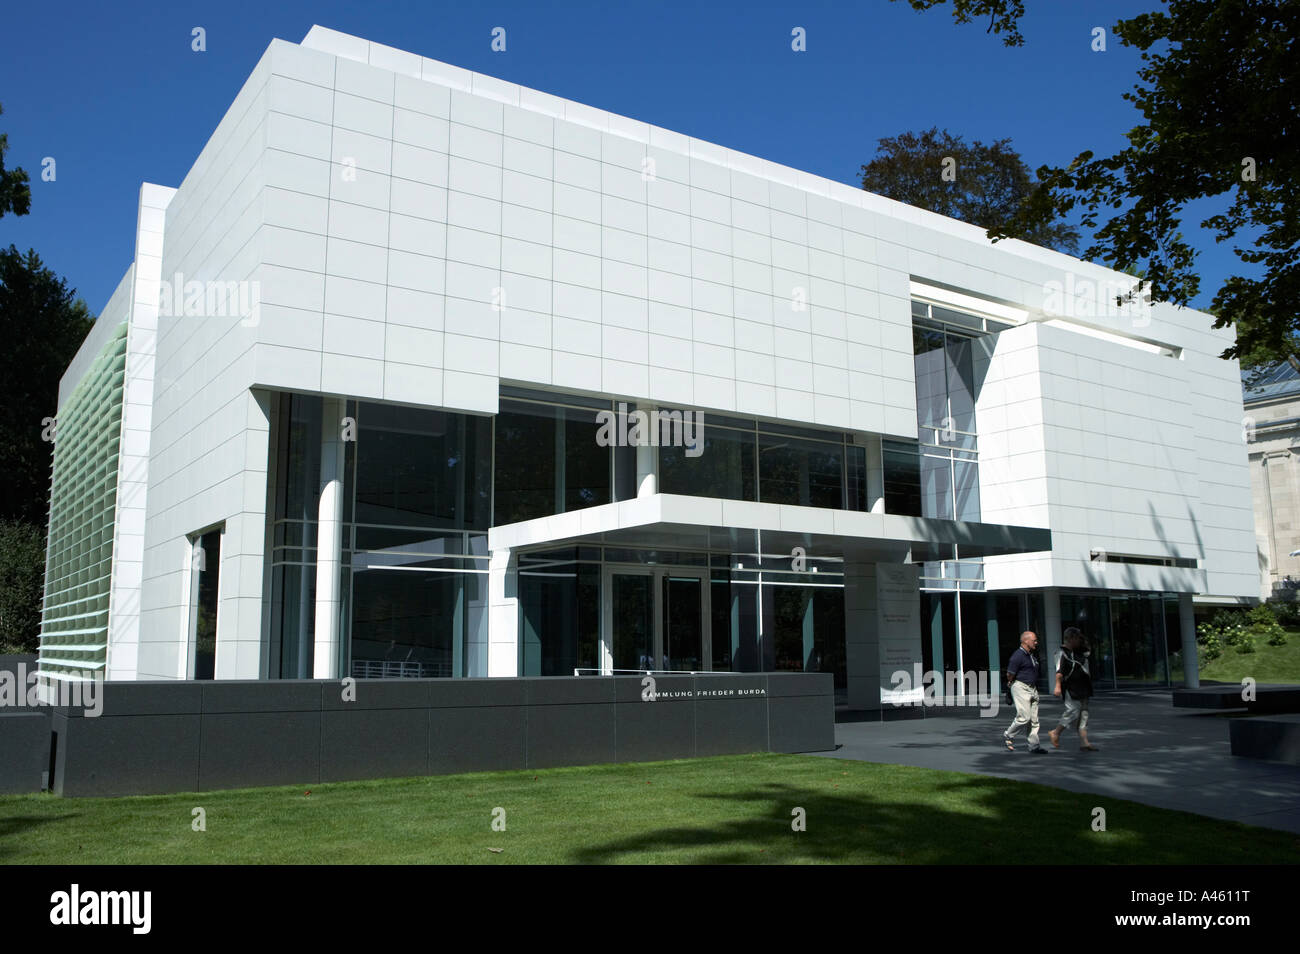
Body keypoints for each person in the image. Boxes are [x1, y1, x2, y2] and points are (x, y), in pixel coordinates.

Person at [1049, 627, 1098, 751]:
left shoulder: (1079, 651)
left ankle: (1084, 742)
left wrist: (1082, 639)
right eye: (1077, 638)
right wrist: (1057, 686)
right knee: (1073, 709)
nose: (1079, 640)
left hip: (1084, 685)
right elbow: (1059, 671)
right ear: (1071, 638)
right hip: (1071, 687)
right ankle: (1056, 732)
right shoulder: (1061, 652)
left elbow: (1088, 649)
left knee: (1084, 713)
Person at [1003, 631, 1046, 753]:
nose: (1036, 643)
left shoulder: (1030, 655)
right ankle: (1008, 735)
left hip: (1032, 688)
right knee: (1024, 717)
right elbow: (1010, 674)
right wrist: (1011, 684)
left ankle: (1034, 746)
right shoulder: (1017, 655)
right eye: (1034, 640)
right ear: (1026, 641)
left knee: (1034, 720)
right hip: (1021, 687)